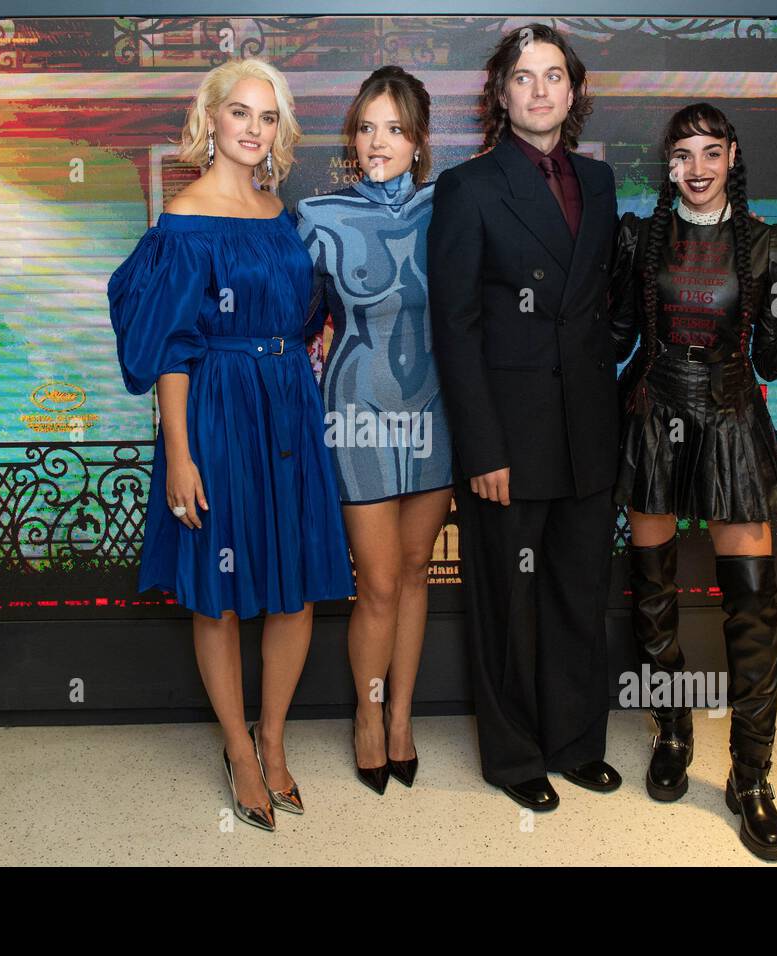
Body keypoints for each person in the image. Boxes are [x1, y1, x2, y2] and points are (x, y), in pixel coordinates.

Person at [106, 58, 355, 833]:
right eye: (240, 113)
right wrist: (179, 455)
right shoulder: (184, 216)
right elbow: (174, 347)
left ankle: (273, 739)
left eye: (268, 116)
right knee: (217, 594)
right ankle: (238, 752)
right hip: (216, 411)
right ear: (211, 120)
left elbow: (305, 311)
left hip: (288, 408)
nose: (254, 128)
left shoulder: (280, 211)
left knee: (297, 585)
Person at [609, 102, 777, 861]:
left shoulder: (770, 245)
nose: (695, 168)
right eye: (682, 154)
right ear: (670, 163)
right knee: (652, 597)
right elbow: (619, 338)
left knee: (754, 606)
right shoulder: (641, 237)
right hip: (655, 417)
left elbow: (776, 356)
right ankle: (674, 729)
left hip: (730, 422)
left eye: (709, 153)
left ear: (732, 156)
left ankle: (751, 778)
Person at [428, 23, 622, 812]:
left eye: (553, 76)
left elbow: (604, 302)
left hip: (589, 435)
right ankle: (514, 759)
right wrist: (482, 447)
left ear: (573, 92)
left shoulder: (599, 182)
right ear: (500, 95)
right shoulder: (468, 188)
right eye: (523, 77)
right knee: (508, 606)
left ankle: (576, 744)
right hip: (507, 441)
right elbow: (455, 327)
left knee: (579, 593)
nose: (539, 89)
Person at [296, 66, 452, 794]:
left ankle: (402, 720)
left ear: (419, 140)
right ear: (351, 137)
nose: (378, 141)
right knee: (380, 585)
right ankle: (368, 713)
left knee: (417, 573)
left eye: (394, 128)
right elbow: (295, 325)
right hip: (356, 415)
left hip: (436, 416)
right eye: (366, 127)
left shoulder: (449, 206)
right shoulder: (318, 215)